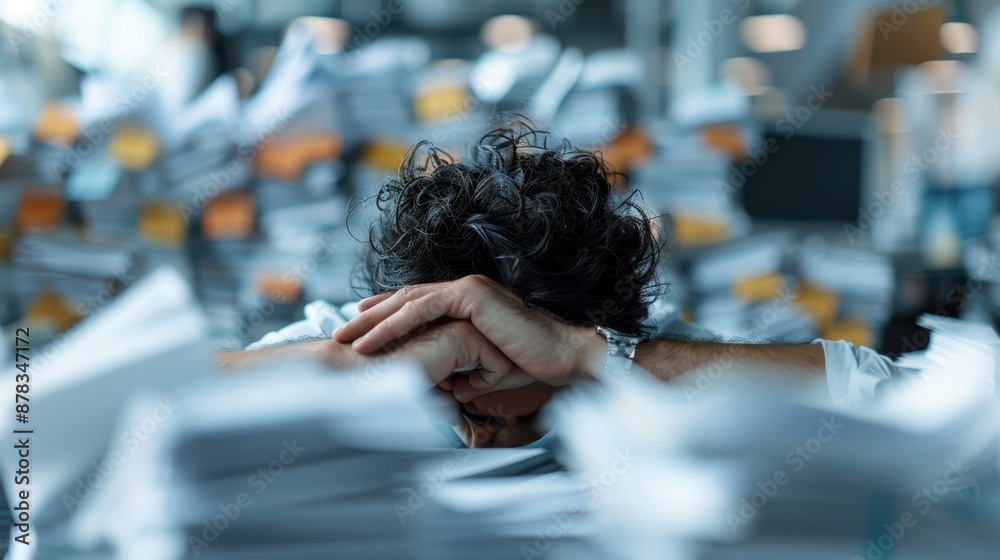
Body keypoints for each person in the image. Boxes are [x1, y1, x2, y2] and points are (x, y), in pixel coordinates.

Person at [219, 123, 899, 447]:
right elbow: (135, 398)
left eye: (514, 416)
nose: (480, 444)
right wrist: (348, 365)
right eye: (461, 412)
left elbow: (888, 392)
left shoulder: (636, 368)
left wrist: (591, 357)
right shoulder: (359, 337)